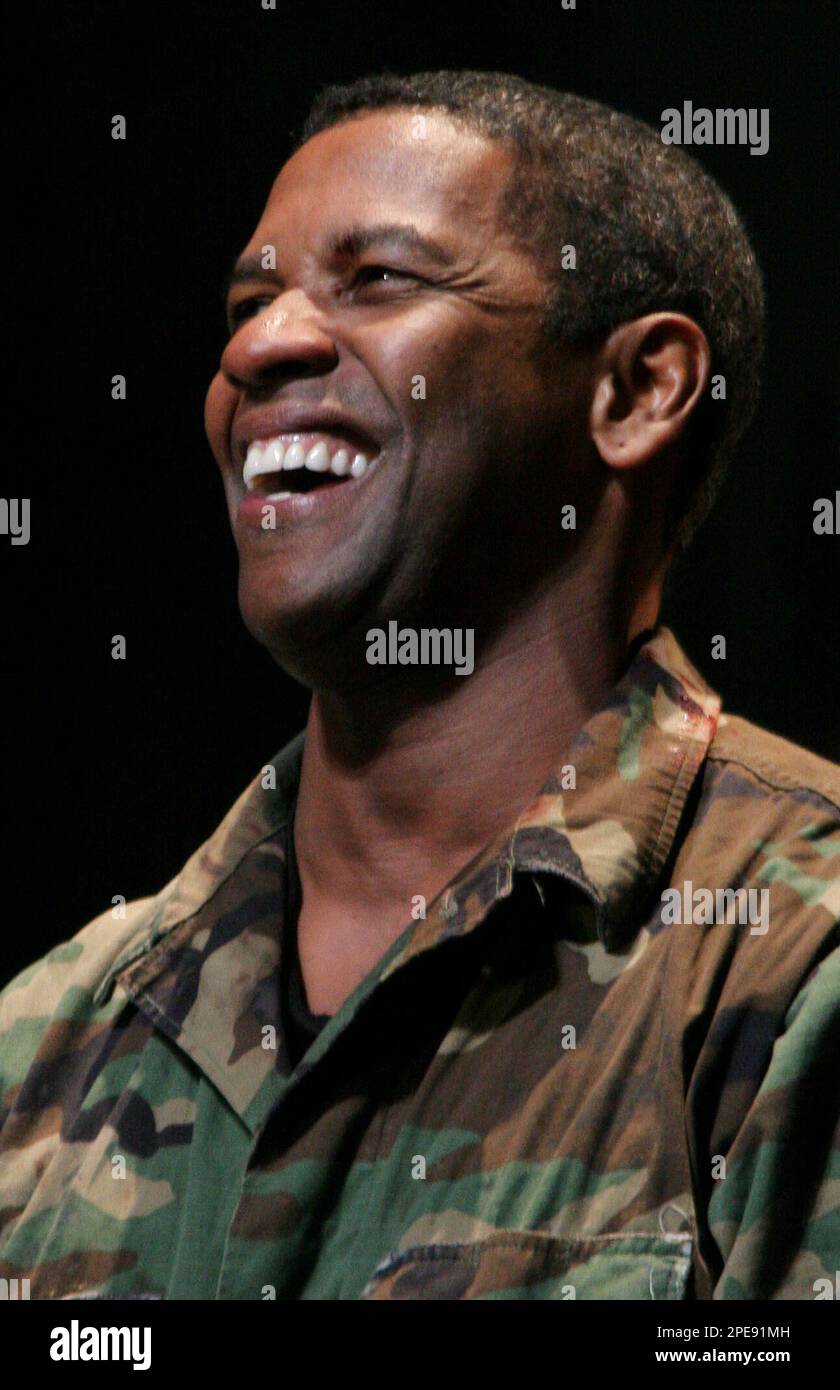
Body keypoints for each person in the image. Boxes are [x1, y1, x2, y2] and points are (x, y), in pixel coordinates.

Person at [1, 71, 837, 1302]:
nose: (256, 346)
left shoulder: (801, 963)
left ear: (637, 388)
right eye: (250, 302)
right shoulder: (45, 1037)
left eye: (380, 278)